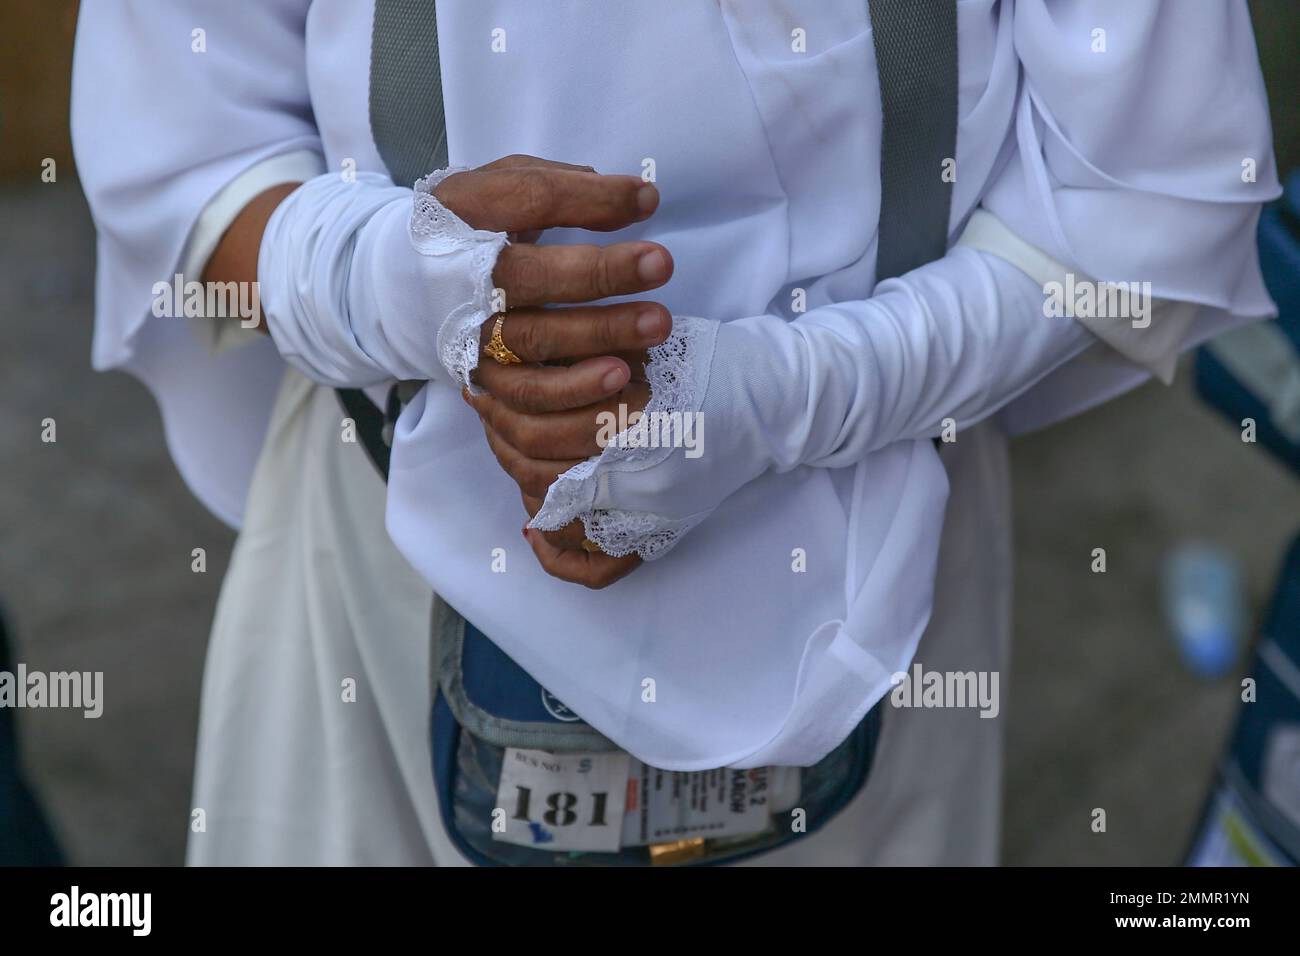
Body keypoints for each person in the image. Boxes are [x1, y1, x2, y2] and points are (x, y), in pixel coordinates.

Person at [71, 1, 1278, 865]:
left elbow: (1143, 189)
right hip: (381, 567)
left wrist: (789, 392)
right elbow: (186, 150)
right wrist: (389, 282)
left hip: (887, 560)